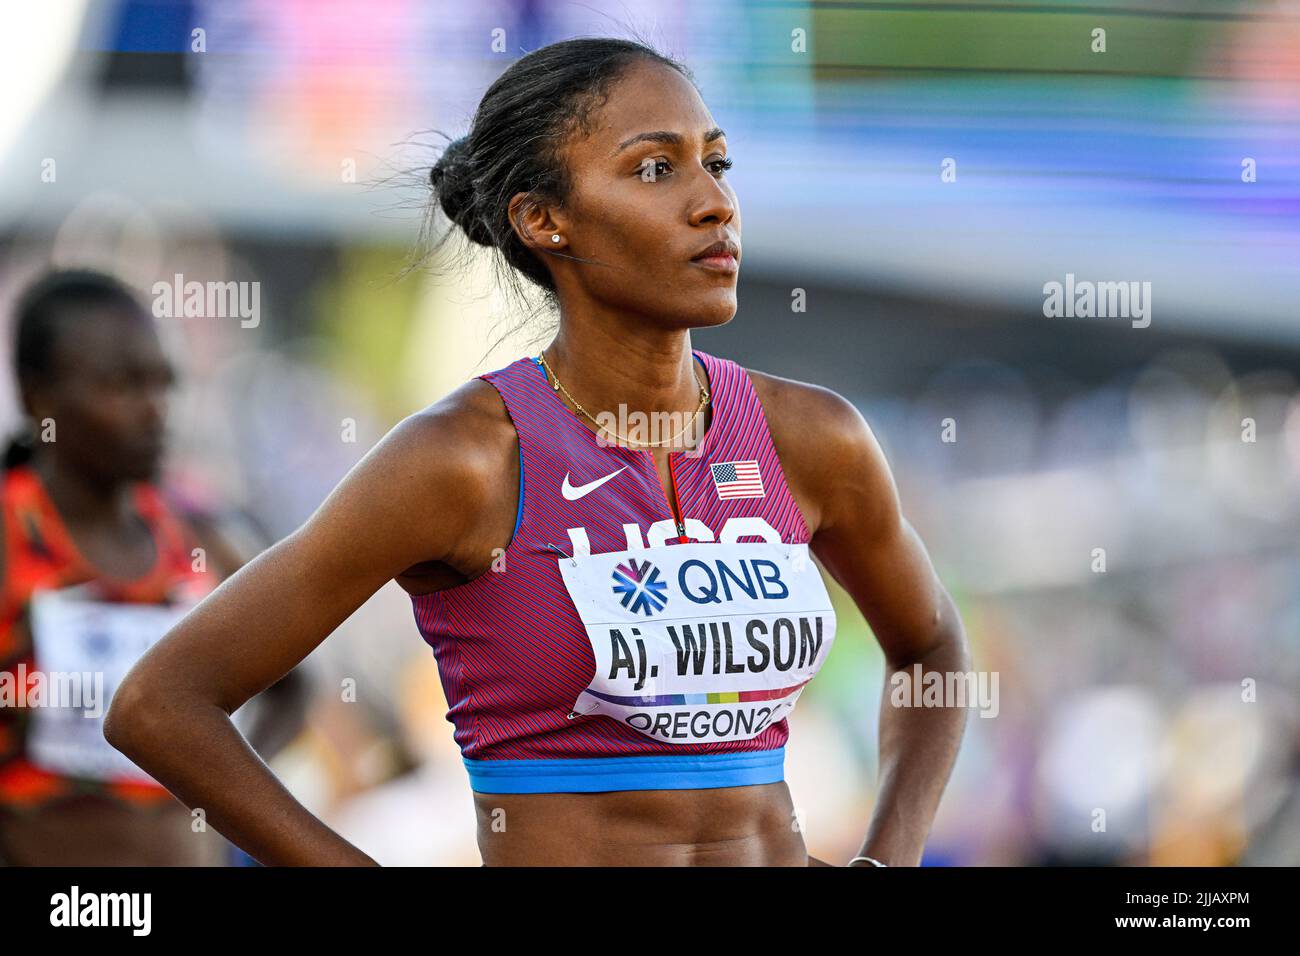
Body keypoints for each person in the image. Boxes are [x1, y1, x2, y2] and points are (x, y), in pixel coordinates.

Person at [106, 37, 970, 867]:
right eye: (656, 168)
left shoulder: (812, 440)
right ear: (542, 219)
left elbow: (931, 648)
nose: (714, 202)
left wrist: (886, 859)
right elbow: (162, 705)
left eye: (718, 163)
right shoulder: (466, 459)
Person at [0, 268, 301, 865]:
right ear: (38, 397)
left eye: (163, 384)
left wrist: (224, 792)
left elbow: (295, 685)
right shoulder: (13, 538)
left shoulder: (202, 541)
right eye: (123, 385)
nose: (155, 409)